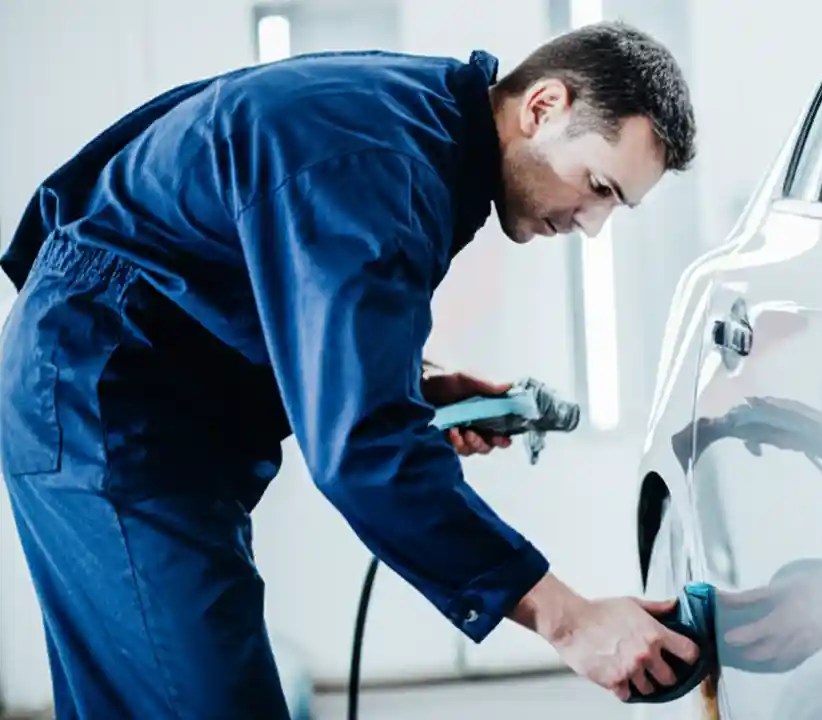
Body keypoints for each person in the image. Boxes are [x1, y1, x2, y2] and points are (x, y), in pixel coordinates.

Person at [0, 21, 699, 717]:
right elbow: (363, 449)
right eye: (598, 186)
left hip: (108, 383)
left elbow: (271, 278)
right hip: (101, 395)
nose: (591, 224)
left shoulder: (412, 119)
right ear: (543, 107)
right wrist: (569, 619)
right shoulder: (384, 164)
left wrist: (410, 378)